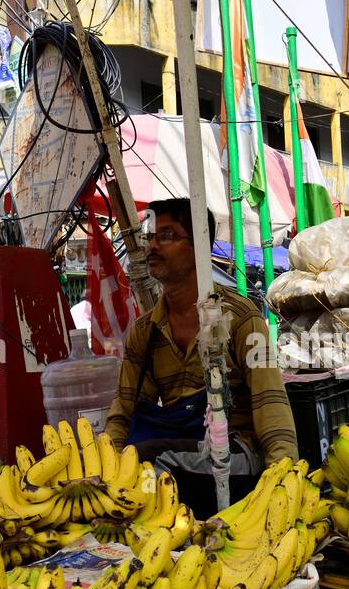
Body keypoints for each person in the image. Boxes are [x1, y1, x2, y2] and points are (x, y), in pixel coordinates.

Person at [105, 198, 299, 518]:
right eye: (150, 236)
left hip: (236, 453)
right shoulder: (146, 332)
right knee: (132, 463)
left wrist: (285, 483)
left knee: (151, 460)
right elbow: (123, 410)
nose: (153, 245)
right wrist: (104, 468)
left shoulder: (241, 318)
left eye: (167, 236)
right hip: (182, 448)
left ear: (199, 247)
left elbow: (271, 405)